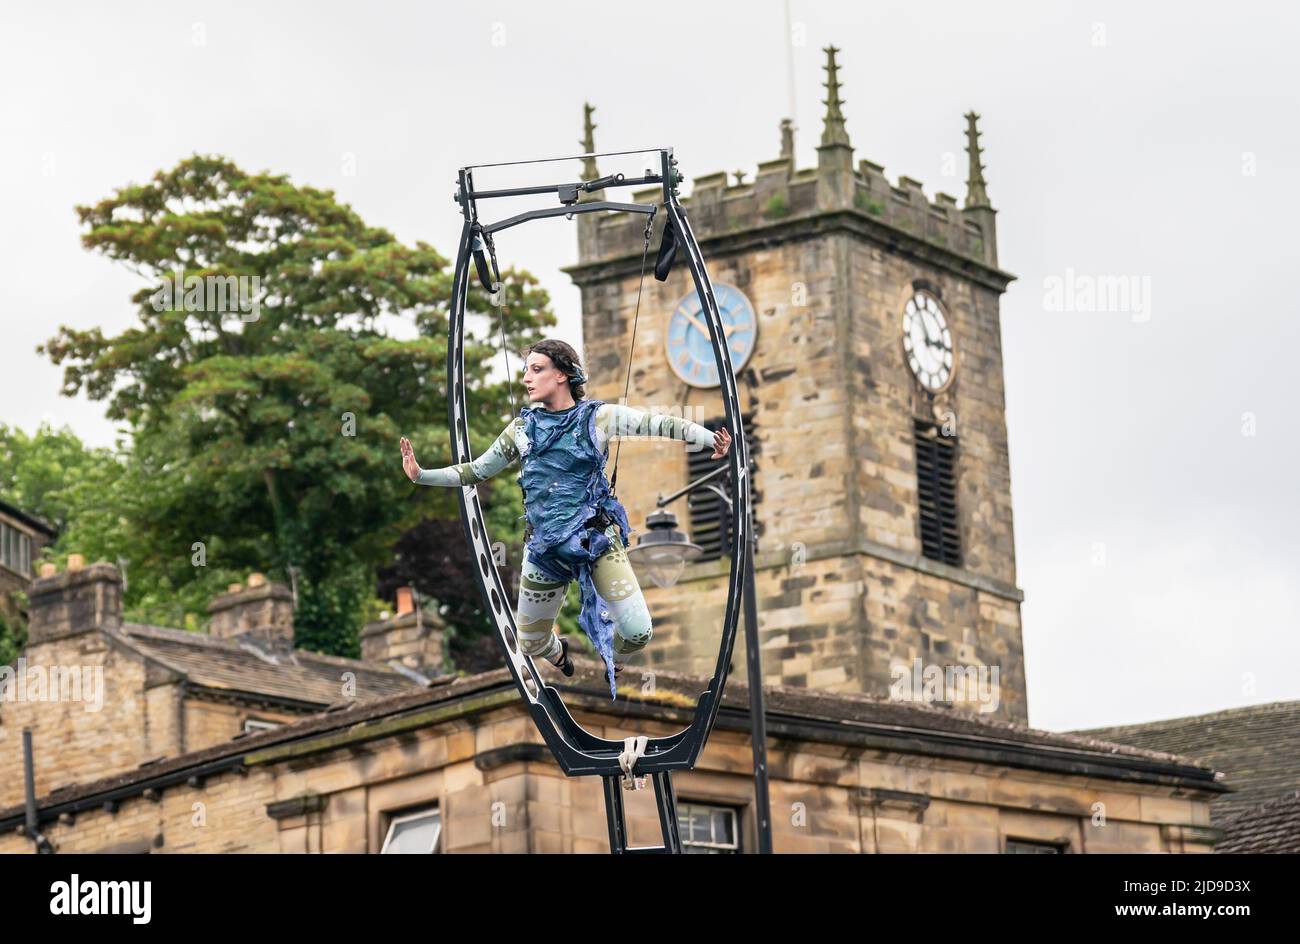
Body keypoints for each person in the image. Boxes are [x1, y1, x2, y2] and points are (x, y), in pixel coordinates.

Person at [400, 338, 731, 697]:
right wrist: (422, 474)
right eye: (526, 370)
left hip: (596, 541)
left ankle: (612, 658)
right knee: (529, 643)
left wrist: (708, 437)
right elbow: (477, 470)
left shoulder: (599, 418)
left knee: (638, 632)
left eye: (536, 369)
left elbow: (659, 424)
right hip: (545, 550)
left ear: (562, 374)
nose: (527, 379)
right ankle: (561, 656)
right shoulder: (522, 430)